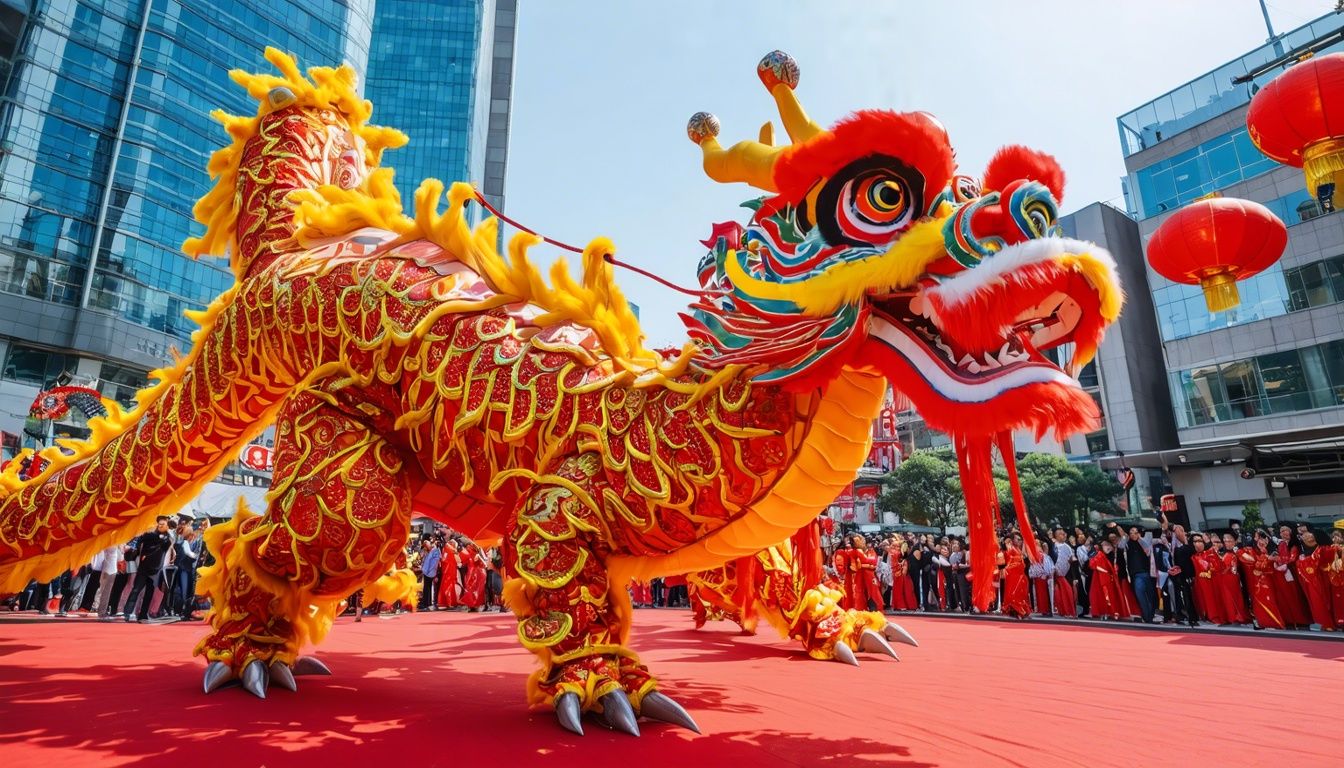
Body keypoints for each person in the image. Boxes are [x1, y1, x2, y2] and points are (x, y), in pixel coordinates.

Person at [122, 517, 174, 622]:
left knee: (149, 593)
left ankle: (143, 615)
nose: (160, 526)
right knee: (136, 589)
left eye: (163, 524)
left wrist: (167, 533)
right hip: (143, 568)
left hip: (155, 570)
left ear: (167, 526)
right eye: (159, 524)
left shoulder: (168, 539)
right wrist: (138, 549)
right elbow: (139, 539)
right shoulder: (149, 535)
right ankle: (127, 612)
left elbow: (168, 544)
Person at [1239, 531, 1286, 630]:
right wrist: (1267, 559)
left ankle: (1277, 622)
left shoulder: (1271, 549)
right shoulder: (1248, 551)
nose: (1259, 540)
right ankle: (1268, 622)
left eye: (1262, 538)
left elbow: (1279, 562)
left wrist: (1269, 559)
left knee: (1273, 600)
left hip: (1273, 579)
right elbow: (1255, 564)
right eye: (1256, 537)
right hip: (1260, 581)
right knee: (1264, 601)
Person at [1272, 524, 1311, 629]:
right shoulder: (1280, 545)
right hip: (1283, 573)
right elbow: (1280, 557)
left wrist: (1285, 564)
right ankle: (1290, 619)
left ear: (1290, 532)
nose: (1283, 533)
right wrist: (1277, 562)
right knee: (1287, 597)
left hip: (1294, 572)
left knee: (1297, 596)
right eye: (1281, 531)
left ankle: (1302, 620)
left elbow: (1293, 558)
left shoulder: (1295, 544)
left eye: (1285, 530)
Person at [1296, 529, 1334, 631]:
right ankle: (1326, 624)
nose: (1308, 540)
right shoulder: (1304, 554)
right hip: (1315, 583)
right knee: (1319, 602)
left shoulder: (1325, 549)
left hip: (1329, 580)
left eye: (1311, 537)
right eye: (1305, 539)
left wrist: (1304, 561)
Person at [1117, 525, 1156, 623]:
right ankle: (1146, 617)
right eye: (1131, 533)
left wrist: (1139, 538)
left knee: (1151, 596)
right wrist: (1124, 536)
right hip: (1136, 574)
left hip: (1148, 572)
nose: (1133, 535)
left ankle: (1150, 616)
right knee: (1140, 595)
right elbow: (1120, 546)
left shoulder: (1144, 541)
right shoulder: (1128, 543)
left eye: (1135, 532)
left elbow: (1147, 548)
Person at [1215, 533, 1249, 624]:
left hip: (1238, 579)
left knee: (1237, 598)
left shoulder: (1239, 551)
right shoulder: (1223, 553)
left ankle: (1239, 615)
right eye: (1225, 541)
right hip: (1227, 579)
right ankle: (1233, 616)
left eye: (1229, 541)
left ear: (1235, 541)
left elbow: (1247, 561)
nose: (1227, 543)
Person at [1088, 541, 1121, 620]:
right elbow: (1092, 565)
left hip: (1105, 577)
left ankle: (1107, 611)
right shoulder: (1098, 554)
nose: (1106, 547)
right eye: (1104, 545)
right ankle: (1103, 611)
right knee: (1101, 594)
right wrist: (1103, 571)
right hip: (1100, 577)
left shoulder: (1108, 554)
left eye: (1107, 545)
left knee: (1106, 594)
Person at [172, 526, 201, 619]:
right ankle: (184, 610)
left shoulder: (181, 542)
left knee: (182, 589)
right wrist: (197, 556)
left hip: (182, 568)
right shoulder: (184, 543)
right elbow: (191, 554)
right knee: (185, 590)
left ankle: (182, 609)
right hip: (184, 568)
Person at [90, 542, 123, 621]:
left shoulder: (112, 543)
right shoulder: (111, 543)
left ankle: (102, 610)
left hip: (109, 569)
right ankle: (101, 612)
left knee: (104, 591)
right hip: (109, 570)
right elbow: (120, 557)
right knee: (105, 592)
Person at [1001, 535, 1030, 618]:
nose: (1019, 541)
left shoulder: (1018, 549)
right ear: (1013, 540)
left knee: (1021, 593)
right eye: (1018, 539)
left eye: (1020, 539)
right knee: (1013, 593)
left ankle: (1019, 609)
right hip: (1013, 575)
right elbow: (1008, 562)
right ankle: (1015, 609)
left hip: (1020, 575)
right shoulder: (1011, 549)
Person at [1050, 530, 1076, 618]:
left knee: (1067, 592)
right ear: (1056, 536)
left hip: (1065, 574)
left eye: (1064, 534)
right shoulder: (1053, 546)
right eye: (1060, 534)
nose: (1064, 535)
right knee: (1058, 594)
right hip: (1054, 574)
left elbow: (1072, 559)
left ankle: (1069, 611)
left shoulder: (1067, 547)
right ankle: (1061, 610)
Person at [437, 539, 460, 609]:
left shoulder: (447, 548)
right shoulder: (449, 548)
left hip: (448, 572)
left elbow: (444, 560)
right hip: (449, 572)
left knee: (448, 587)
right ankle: (449, 603)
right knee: (448, 587)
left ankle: (449, 603)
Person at [418, 540, 441, 611]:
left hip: (430, 572)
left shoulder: (435, 551)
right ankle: (427, 603)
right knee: (427, 587)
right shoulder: (430, 551)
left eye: (426, 544)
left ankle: (428, 603)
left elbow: (435, 563)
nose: (425, 546)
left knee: (428, 587)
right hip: (427, 571)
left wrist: (433, 573)